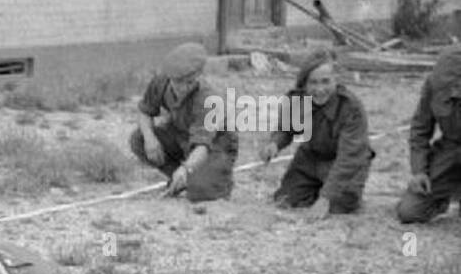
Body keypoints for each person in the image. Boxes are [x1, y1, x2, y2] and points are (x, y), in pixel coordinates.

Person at [261, 50, 374, 214]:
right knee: (285, 200)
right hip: (310, 159)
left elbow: (349, 158)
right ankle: (316, 190)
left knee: (339, 206)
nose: (319, 89)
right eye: (313, 83)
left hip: (343, 164)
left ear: (336, 80)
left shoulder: (351, 108)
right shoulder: (297, 100)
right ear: (304, 84)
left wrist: (326, 198)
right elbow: (286, 129)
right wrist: (274, 144)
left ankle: (326, 193)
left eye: (325, 82)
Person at [128, 42, 239, 201]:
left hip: (217, 144)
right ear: (170, 77)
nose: (183, 87)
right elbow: (144, 112)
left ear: (198, 76)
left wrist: (186, 169)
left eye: (189, 82)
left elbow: (202, 146)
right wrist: (150, 139)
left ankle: (214, 181)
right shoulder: (161, 82)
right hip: (183, 134)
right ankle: (179, 178)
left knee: (200, 194)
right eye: (178, 82)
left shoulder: (209, 99)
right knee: (138, 139)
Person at [396, 45, 461, 224]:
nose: (452, 94)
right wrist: (419, 171)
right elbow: (420, 129)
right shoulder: (434, 84)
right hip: (450, 151)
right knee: (409, 212)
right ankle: (443, 198)